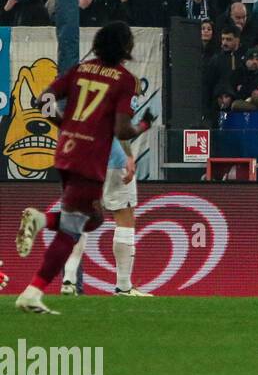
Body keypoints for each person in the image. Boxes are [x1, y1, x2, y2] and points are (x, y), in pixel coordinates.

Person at [13, 22, 153, 314]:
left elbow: (43, 100)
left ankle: (52, 244)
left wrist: (64, 124)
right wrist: (144, 124)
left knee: (91, 219)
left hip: (65, 152)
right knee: (80, 225)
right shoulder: (125, 79)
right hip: (94, 158)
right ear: (126, 48)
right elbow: (121, 129)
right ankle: (35, 290)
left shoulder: (81, 69)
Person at [61, 136, 151, 297]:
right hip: (113, 159)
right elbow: (120, 124)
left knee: (81, 217)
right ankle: (124, 286)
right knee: (125, 218)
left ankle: (69, 279)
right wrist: (128, 156)